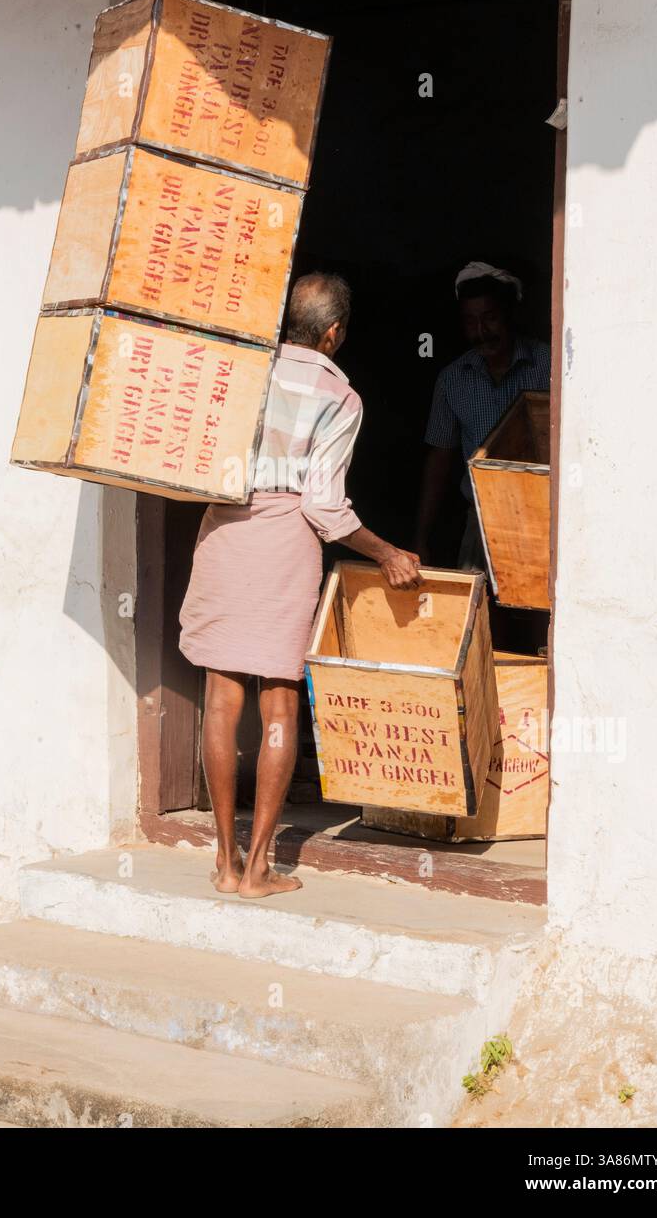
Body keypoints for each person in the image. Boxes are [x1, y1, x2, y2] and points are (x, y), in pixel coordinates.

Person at [179, 271, 420, 899]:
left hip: (224, 534)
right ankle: (261, 868)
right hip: (284, 545)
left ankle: (225, 863)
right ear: (336, 333)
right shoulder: (340, 398)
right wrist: (386, 551)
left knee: (221, 699)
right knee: (279, 705)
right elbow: (325, 509)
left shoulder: (243, 368)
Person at [416, 261, 551, 571]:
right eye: (470, 322)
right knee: (478, 611)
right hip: (482, 521)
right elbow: (440, 458)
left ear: (508, 315)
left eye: (489, 319)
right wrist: (421, 536)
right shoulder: (452, 380)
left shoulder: (550, 366)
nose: (480, 332)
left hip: (544, 514)